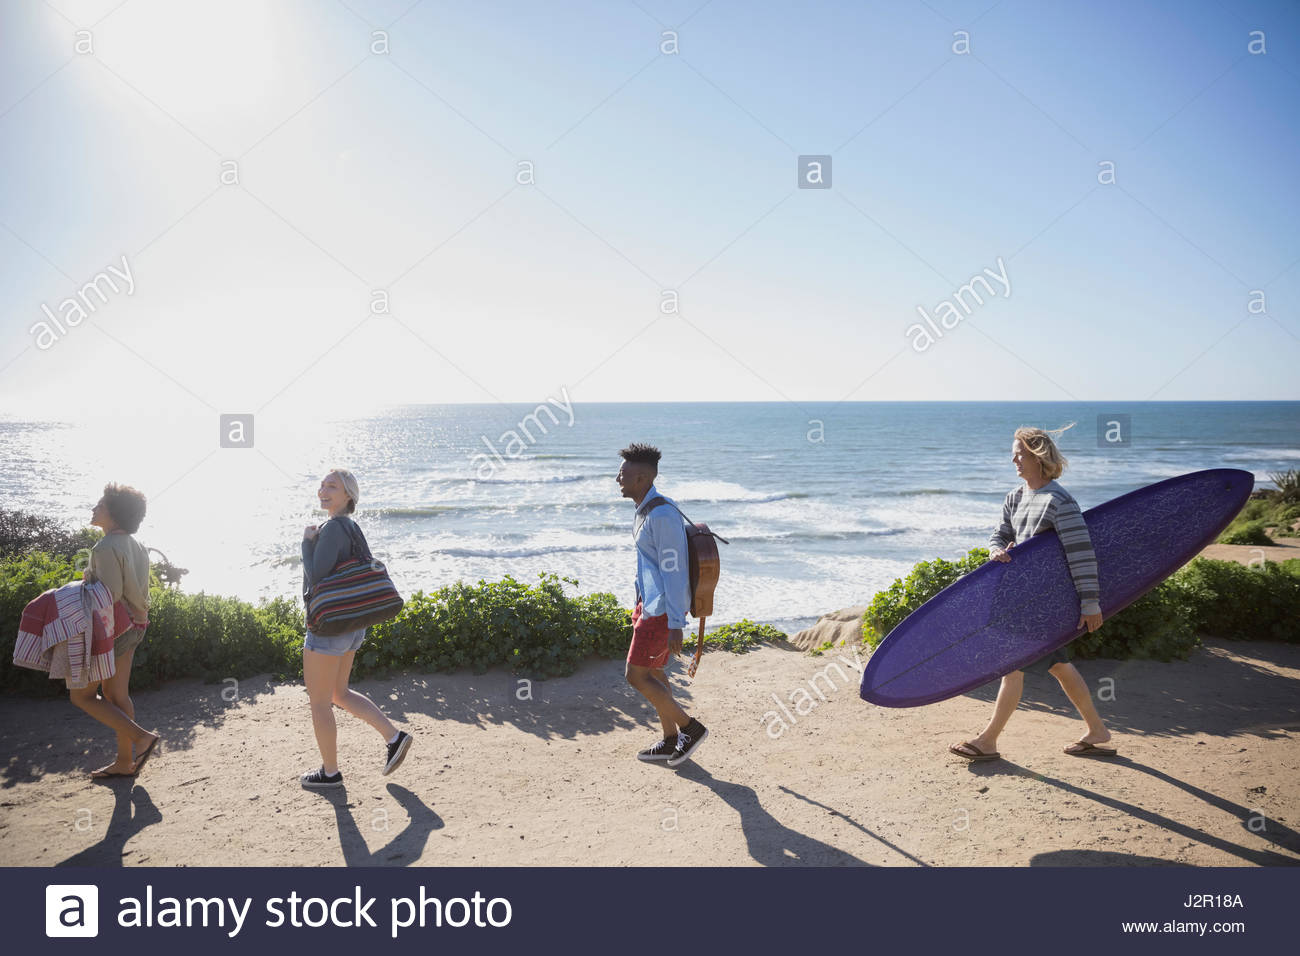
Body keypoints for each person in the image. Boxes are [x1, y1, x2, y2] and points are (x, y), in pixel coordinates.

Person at [950, 425, 1116, 762]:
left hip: (1045, 604)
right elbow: (1000, 534)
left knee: (1013, 667)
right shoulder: (1015, 496)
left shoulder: (1061, 502)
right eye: (1013, 453)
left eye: (1020, 453)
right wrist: (996, 551)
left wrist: (1090, 602)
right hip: (1021, 600)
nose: (1014, 459)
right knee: (1058, 665)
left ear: (1039, 456)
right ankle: (1097, 730)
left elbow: (1081, 554)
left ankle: (988, 741)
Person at [299, 469, 412, 789]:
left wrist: (306, 544)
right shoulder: (350, 527)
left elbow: (317, 574)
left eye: (331, 485)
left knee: (320, 702)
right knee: (339, 693)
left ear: (348, 495)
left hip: (329, 627)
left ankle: (330, 773)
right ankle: (394, 737)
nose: (323, 489)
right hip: (353, 624)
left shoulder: (333, 527)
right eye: (322, 484)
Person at [616, 443, 708, 768]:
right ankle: (671, 740)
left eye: (624, 474)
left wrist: (675, 623)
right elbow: (649, 564)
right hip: (649, 606)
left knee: (636, 675)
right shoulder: (644, 510)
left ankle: (690, 729)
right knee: (654, 671)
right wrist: (638, 601)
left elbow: (673, 571)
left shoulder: (663, 515)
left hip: (662, 612)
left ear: (642, 478)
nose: (618, 479)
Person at [77, 482, 159, 779]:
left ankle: (142, 738)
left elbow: (107, 596)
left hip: (116, 629)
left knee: (81, 696)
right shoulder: (136, 544)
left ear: (113, 513)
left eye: (100, 504)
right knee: (116, 694)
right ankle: (125, 762)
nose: (94, 508)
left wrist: (85, 582)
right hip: (137, 625)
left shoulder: (105, 547)